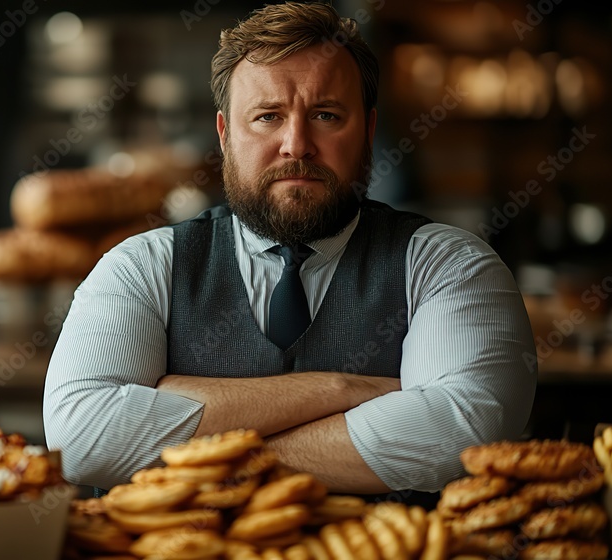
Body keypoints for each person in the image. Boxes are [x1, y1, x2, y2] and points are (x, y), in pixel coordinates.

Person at [42, 1, 536, 498]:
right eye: (267, 117)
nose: (296, 144)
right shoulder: (142, 267)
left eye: (326, 115)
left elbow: (465, 438)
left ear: (367, 132)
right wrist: (346, 391)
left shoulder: (448, 265)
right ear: (224, 135)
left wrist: (197, 444)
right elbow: (81, 441)